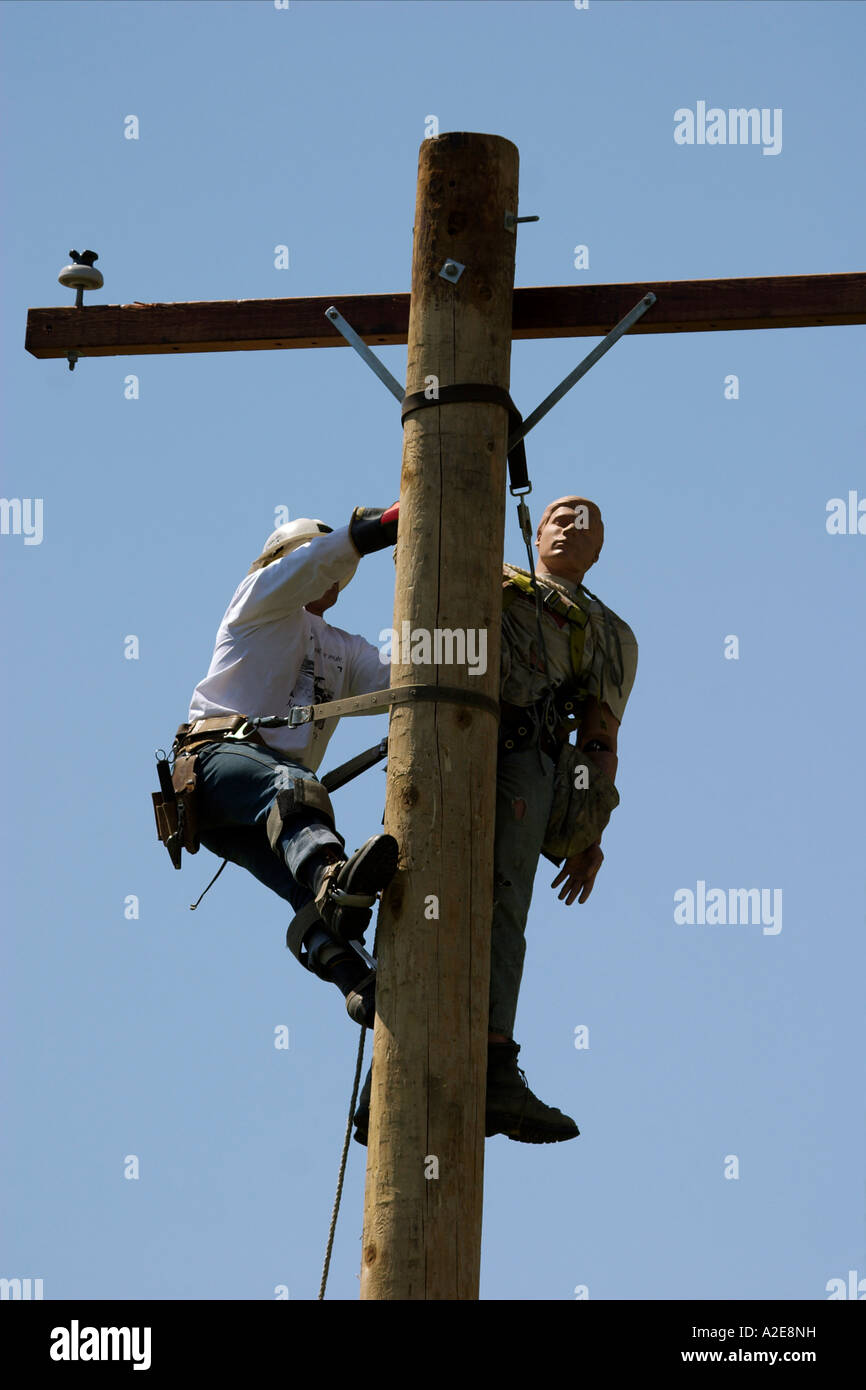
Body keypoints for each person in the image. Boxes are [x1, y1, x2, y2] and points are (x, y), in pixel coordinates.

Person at [352, 494, 638, 1145]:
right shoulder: (484, 573)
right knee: (418, 893)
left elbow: (600, 733)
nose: (572, 525)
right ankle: (388, 1076)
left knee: (500, 906)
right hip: (441, 743)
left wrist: (591, 828)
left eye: (587, 522)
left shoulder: (607, 632)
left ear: (599, 549)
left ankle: (494, 1066)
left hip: (524, 758)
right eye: (561, 516)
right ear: (538, 530)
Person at [172, 507, 401, 1030]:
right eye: (315, 562)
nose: (330, 576)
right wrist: (376, 530)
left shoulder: (342, 648)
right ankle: (332, 879)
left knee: (308, 895)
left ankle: (356, 983)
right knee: (296, 792)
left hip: (258, 814)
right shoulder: (258, 598)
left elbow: (402, 680)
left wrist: (477, 647)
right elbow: (312, 565)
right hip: (214, 766)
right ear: (277, 563)